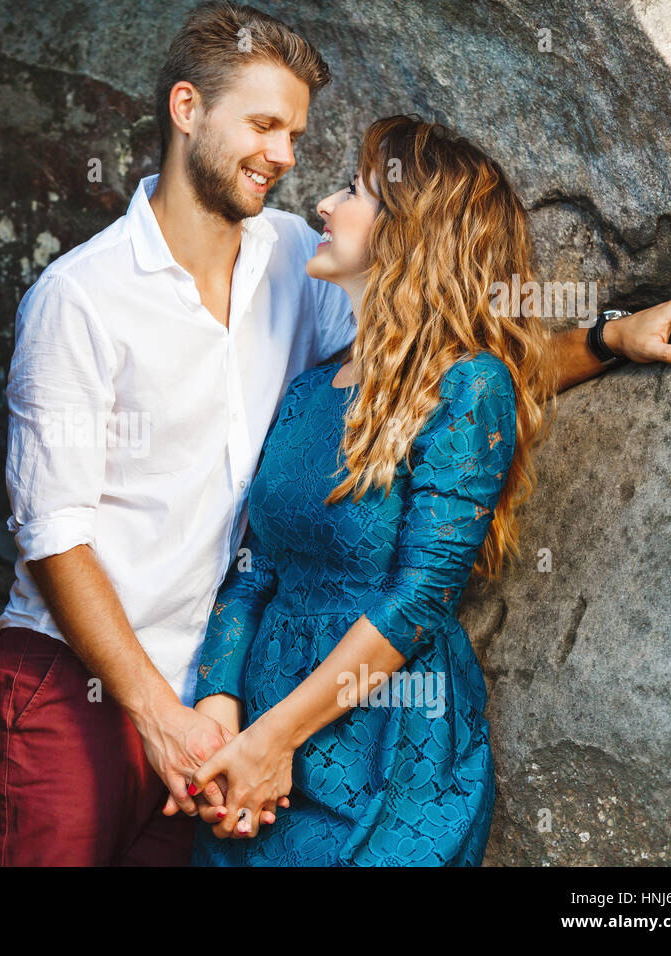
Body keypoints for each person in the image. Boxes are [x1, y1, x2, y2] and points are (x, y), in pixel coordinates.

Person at [0, 1, 671, 867]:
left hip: (225, 704)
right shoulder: (82, 297)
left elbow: (434, 373)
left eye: (298, 135)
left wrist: (606, 337)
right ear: (186, 110)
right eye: (264, 124)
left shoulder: (291, 263)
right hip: (83, 686)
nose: (287, 159)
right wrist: (169, 716)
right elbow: (54, 532)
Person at [190, 114, 544, 865]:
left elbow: (419, 601)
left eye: (353, 191)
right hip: (258, 747)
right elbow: (254, 570)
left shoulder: (470, 386)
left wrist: (275, 736)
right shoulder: (309, 391)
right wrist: (222, 713)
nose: (323, 204)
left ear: (412, 233)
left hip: (386, 757)